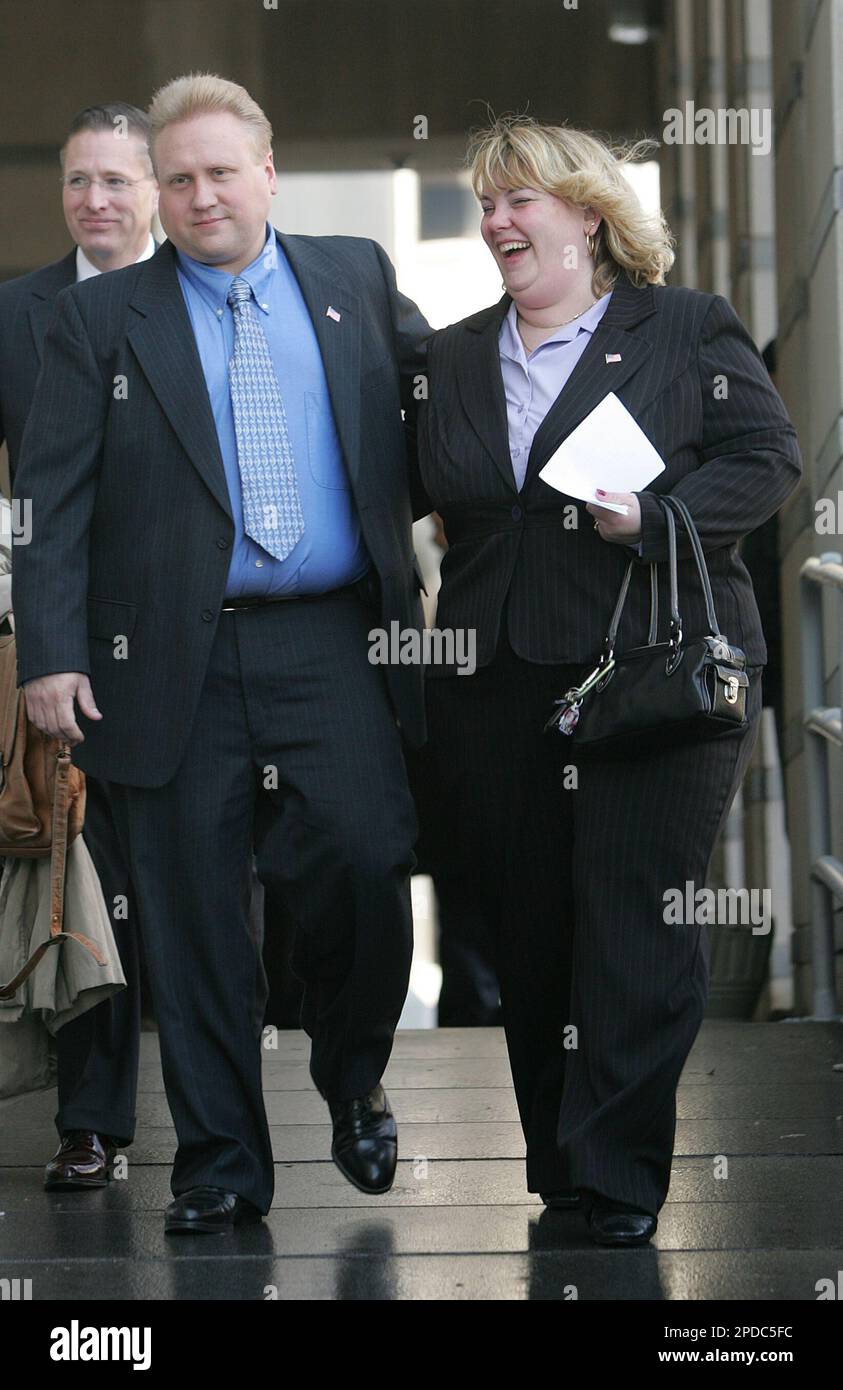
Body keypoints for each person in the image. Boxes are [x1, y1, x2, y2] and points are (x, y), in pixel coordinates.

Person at [13, 73, 430, 1233]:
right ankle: (221, 1165)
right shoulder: (98, 319)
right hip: (163, 659)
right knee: (192, 922)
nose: (201, 197)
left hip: (331, 638)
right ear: (161, 189)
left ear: (267, 171)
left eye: (219, 172)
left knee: (363, 862)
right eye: (179, 178)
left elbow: (444, 408)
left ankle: (352, 1074)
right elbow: (49, 496)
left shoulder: (353, 275)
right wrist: (48, 652)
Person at [416, 116, 801, 1246]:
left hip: (659, 674)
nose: (496, 223)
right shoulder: (447, 357)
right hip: (500, 688)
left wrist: (658, 518)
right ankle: (563, 1168)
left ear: (588, 213)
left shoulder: (683, 330)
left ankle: (619, 1180)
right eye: (486, 205)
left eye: (518, 200)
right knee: (532, 934)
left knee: (633, 925)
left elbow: (768, 457)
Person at [0, 102, 158, 1189]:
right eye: (76, 181)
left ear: (156, 189)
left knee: (203, 880)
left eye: (115, 180)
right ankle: (90, 1124)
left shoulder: (201, 293)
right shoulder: (16, 312)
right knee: (81, 864)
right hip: (64, 635)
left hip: (198, 634)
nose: (94, 201)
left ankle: (219, 1098)